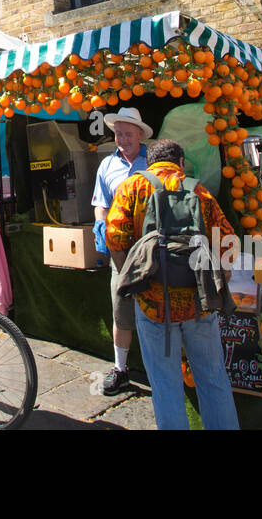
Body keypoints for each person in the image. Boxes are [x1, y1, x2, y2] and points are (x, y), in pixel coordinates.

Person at [105, 138, 239, 430]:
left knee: (165, 386)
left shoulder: (132, 188)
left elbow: (114, 238)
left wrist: (131, 276)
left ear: (150, 162)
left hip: (154, 305)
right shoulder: (199, 191)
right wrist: (218, 280)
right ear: (180, 163)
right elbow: (229, 243)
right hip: (199, 304)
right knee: (214, 379)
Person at [90, 106, 151, 396]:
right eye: (118, 134)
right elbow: (100, 202)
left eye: (128, 133)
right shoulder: (106, 165)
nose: (123, 139)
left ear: (140, 134)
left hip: (153, 247)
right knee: (121, 309)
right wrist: (101, 226)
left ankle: (159, 368)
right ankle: (121, 369)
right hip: (121, 251)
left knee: (157, 306)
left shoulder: (154, 160)